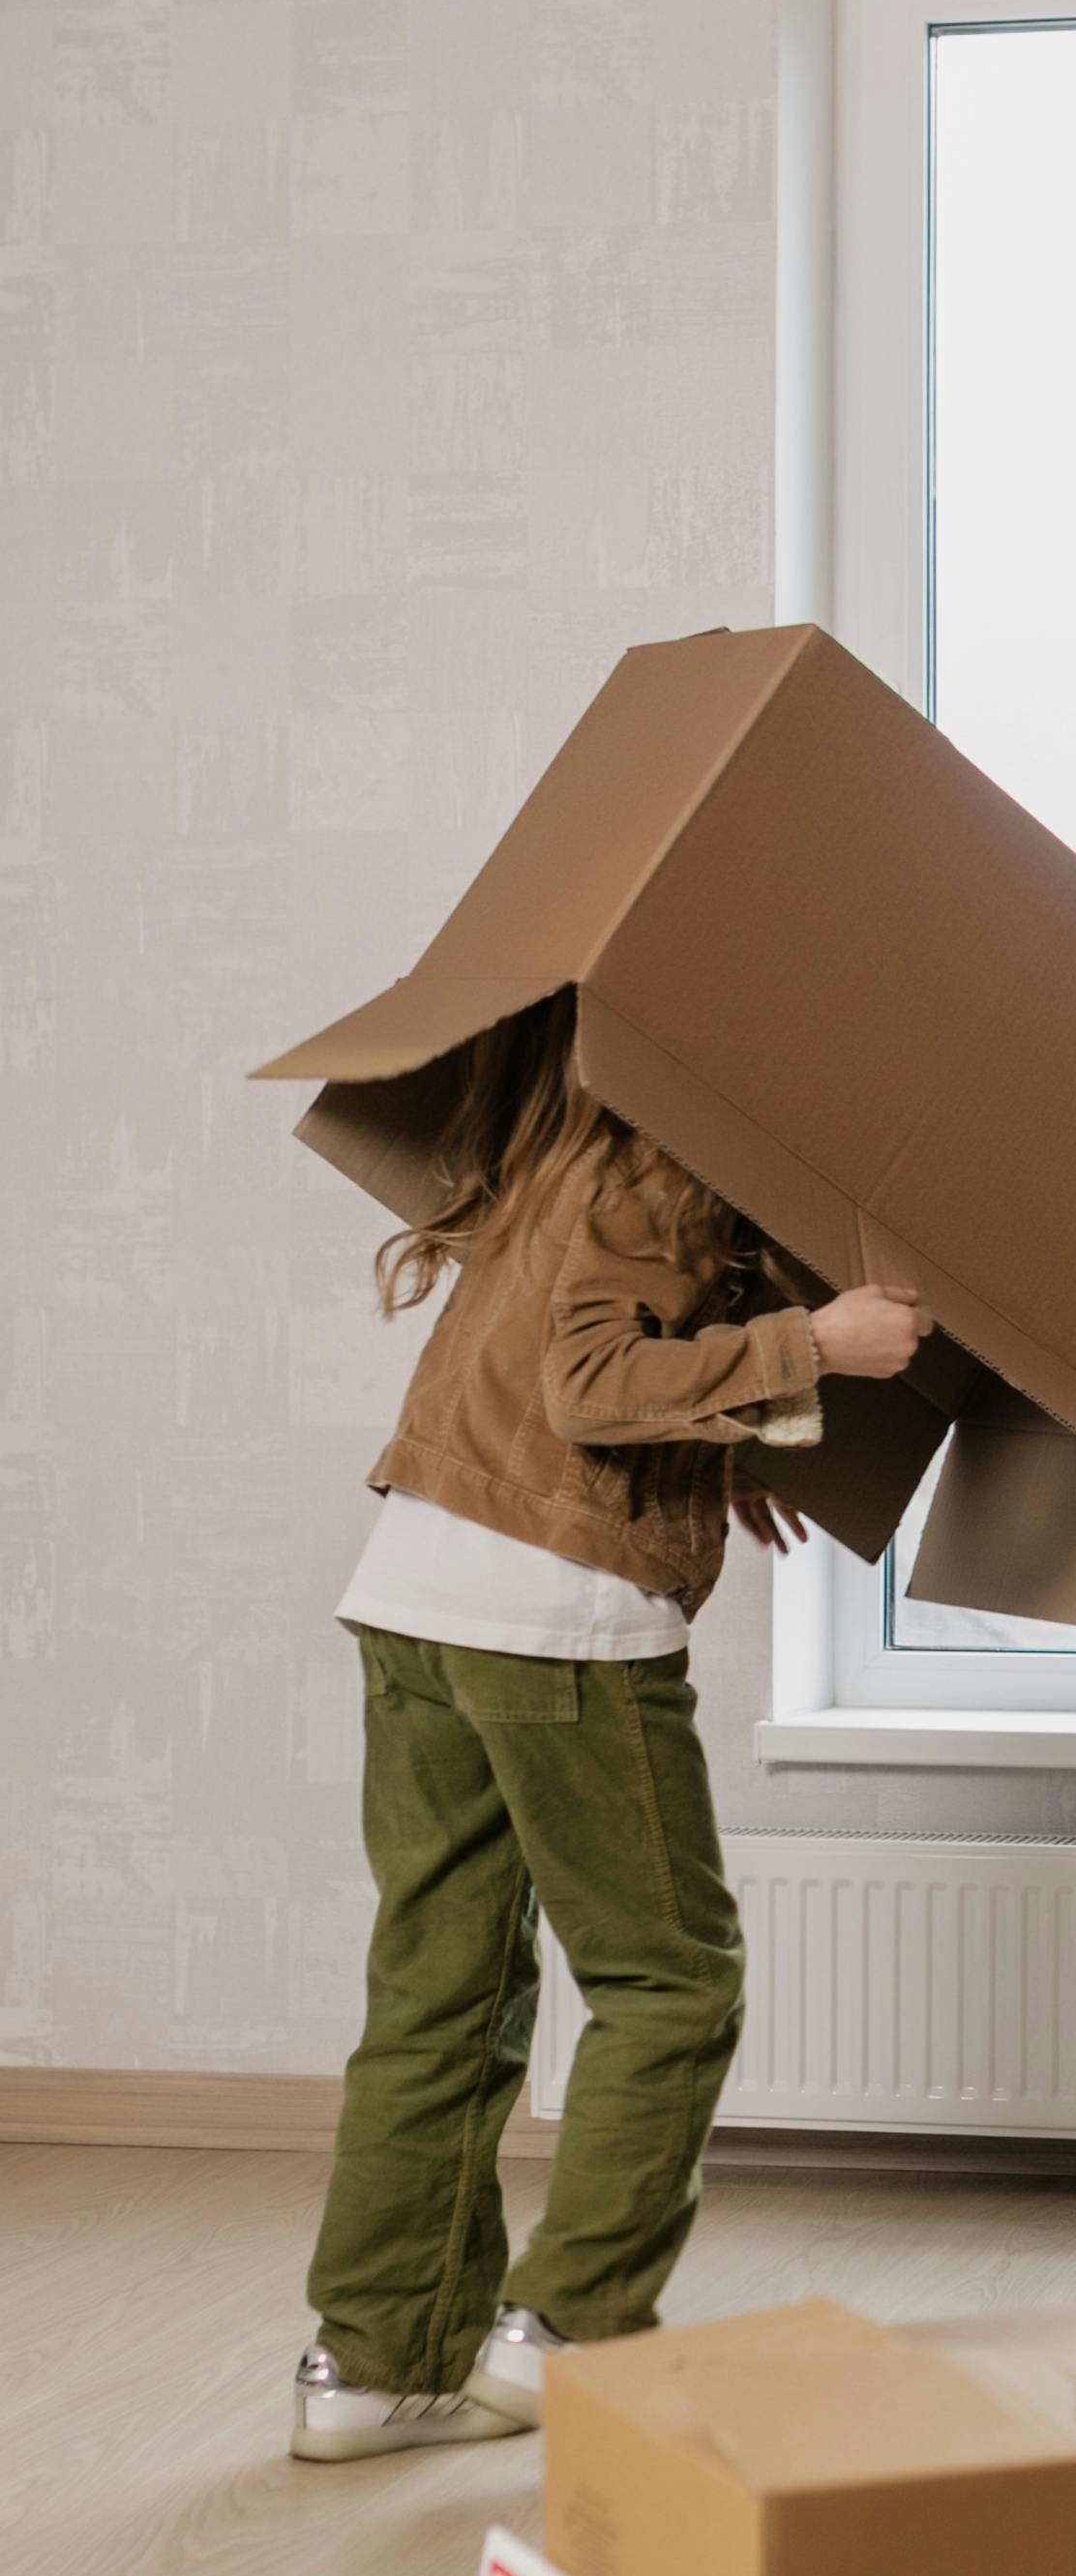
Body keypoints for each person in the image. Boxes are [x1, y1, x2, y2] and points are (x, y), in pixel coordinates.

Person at [290, 991, 926, 2459]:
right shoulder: (668, 1162)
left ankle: (372, 2367)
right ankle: (566, 2331)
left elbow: (552, 1373)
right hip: (553, 1616)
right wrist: (813, 1344)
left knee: (438, 1992)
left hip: (418, 1594)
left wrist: (722, 1449)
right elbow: (589, 1387)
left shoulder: (563, 1136)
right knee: (671, 1983)